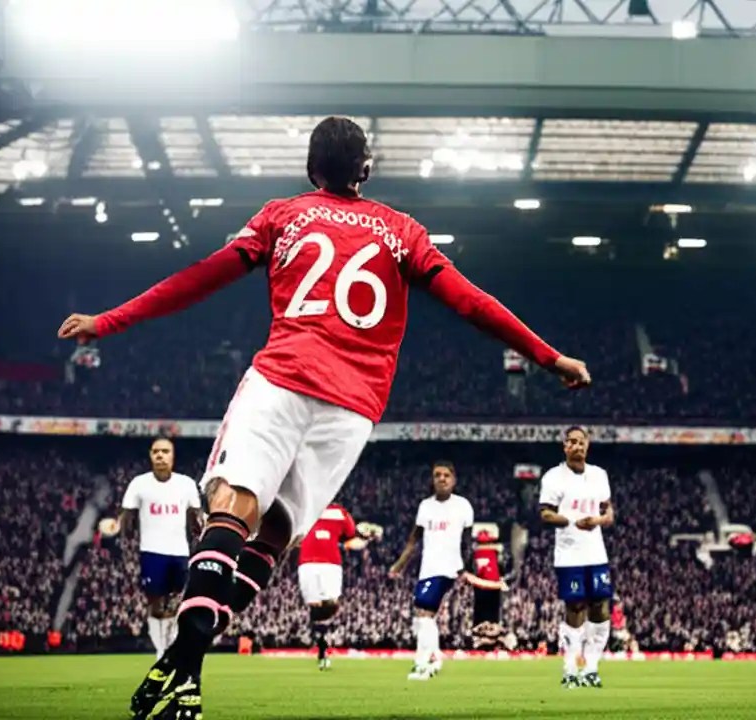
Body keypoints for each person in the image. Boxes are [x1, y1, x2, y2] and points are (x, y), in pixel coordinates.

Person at [58, 115, 590, 720]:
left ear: (311, 168)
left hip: (282, 379)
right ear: (366, 169)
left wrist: (112, 319)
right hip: (353, 409)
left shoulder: (282, 215)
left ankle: (185, 666)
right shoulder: (402, 232)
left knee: (234, 508)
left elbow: (200, 278)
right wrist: (549, 358)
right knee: (277, 533)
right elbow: (470, 301)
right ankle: (184, 659)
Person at [538, 426, 615, 689]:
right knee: (575, 607)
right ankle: (570, 668)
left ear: (587, 445)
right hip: (569, 555)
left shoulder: (599, 475)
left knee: (601, 607)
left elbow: (608, 511)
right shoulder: (553, 477)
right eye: (571, 442)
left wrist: (599, 520)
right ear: (564, 446)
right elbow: (545, 514)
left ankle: (591, 669)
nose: (576, 446)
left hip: (596, 553)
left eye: (581, 442)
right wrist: (573, 520)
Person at [388, 461, 474, 681]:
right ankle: (434, 658)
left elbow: (467, 540)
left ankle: (422, 664)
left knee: (424, 612)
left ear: (454, 479)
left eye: (446, 475)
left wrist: (466, 567)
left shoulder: (463, 505)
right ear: (433, 479)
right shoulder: (426, 506)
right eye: (437, 475)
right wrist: (399, 565)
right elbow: (414, 539)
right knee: (424, 616)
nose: (442, 479)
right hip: (427, 568)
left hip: (447, 567)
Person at [119, 438, 203, 660]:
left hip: (179, 552)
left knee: (178, 601)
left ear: (173, 456)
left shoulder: (186, 484)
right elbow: (127, 517)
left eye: (165, 451)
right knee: (155, 603)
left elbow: (196, 518)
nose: (160, 455)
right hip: (152, 551)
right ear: (150, 455)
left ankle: (173, 644)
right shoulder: (139, 484)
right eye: (156, 451)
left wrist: (202, 530)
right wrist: (119, 528)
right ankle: (160, 650)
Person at [296, 502, 376, 670]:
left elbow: (351, 539)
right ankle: (321, 648)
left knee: (331, 604)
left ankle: (323, 649)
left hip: (331, 564)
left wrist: (366, 538)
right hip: (307, 562)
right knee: (315, 606)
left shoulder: (340, 512)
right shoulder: (303, 507)